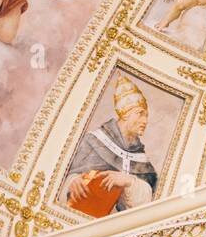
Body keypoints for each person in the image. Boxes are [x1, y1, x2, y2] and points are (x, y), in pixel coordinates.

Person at [65, 76, 157, 217]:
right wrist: (73, 181)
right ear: (125, 114)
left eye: (146, 116)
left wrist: (129, 181)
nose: (145, 121)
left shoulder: (142, 161)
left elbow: (148, 207)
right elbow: (63, 174)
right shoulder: (93, 141)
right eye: (140, 114)